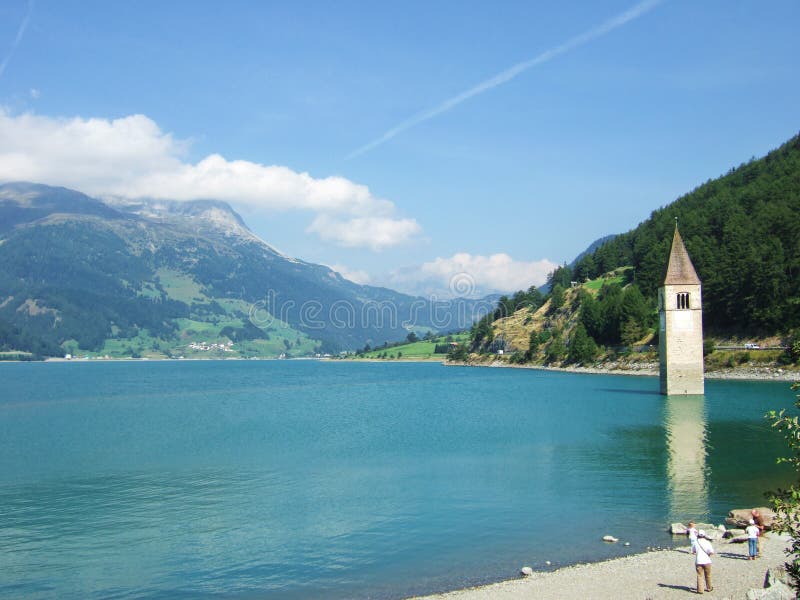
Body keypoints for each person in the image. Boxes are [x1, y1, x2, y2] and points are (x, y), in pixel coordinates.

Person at [692, 530, 714, 594]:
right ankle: (709, 588)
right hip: (707, 561)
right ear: (704, 535)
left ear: (698, 535)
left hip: (699, 561)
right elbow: (712, 552)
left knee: (699, 575)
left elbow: (693, 551)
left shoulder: (695, 543)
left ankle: (700, 590)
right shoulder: (707, 542)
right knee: (708, 575)